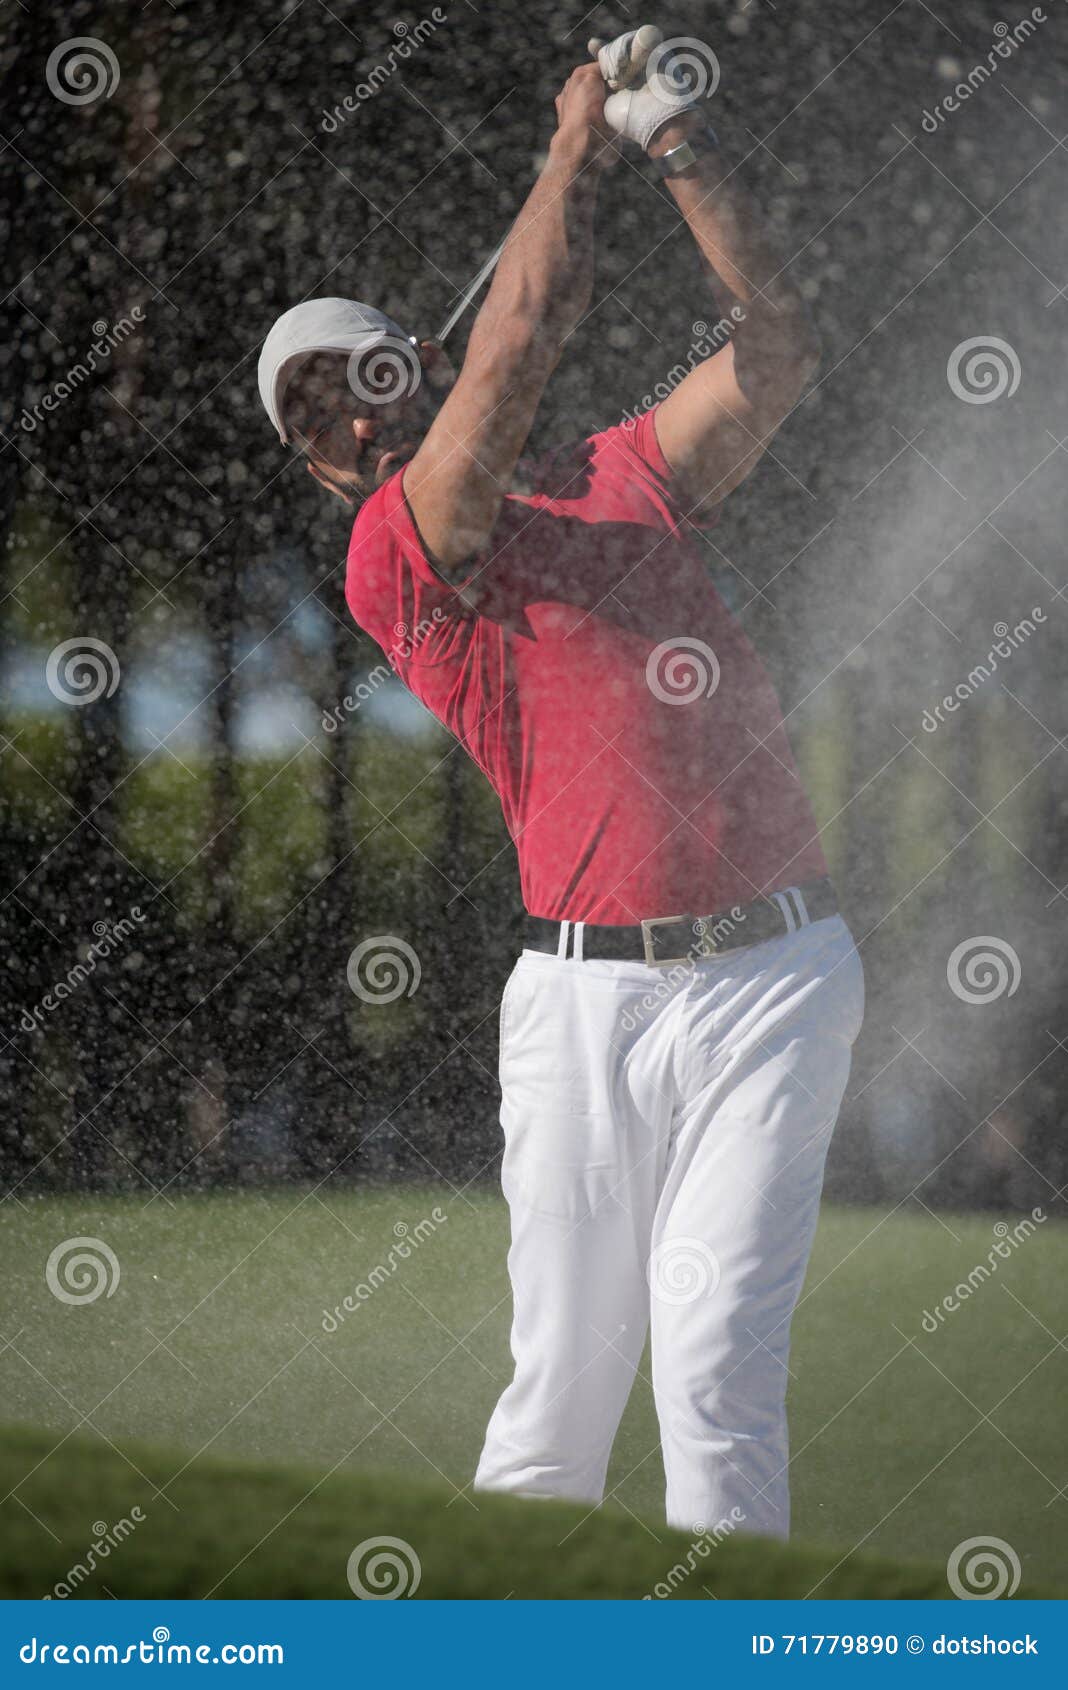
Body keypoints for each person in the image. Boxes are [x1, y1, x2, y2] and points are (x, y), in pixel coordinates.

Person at [257, 31, 864, 1539]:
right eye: (314, 416)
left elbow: (781, 347)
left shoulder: (619, 473)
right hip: (583, 1009)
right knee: (558, 1408)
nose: (347, 417)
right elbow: (525, 327)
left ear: (413, 360)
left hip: (778, 977)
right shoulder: (394, 553)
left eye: (356, 376)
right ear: (324, 466)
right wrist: (566, 146)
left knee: (719, 1374)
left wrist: (672, 143)